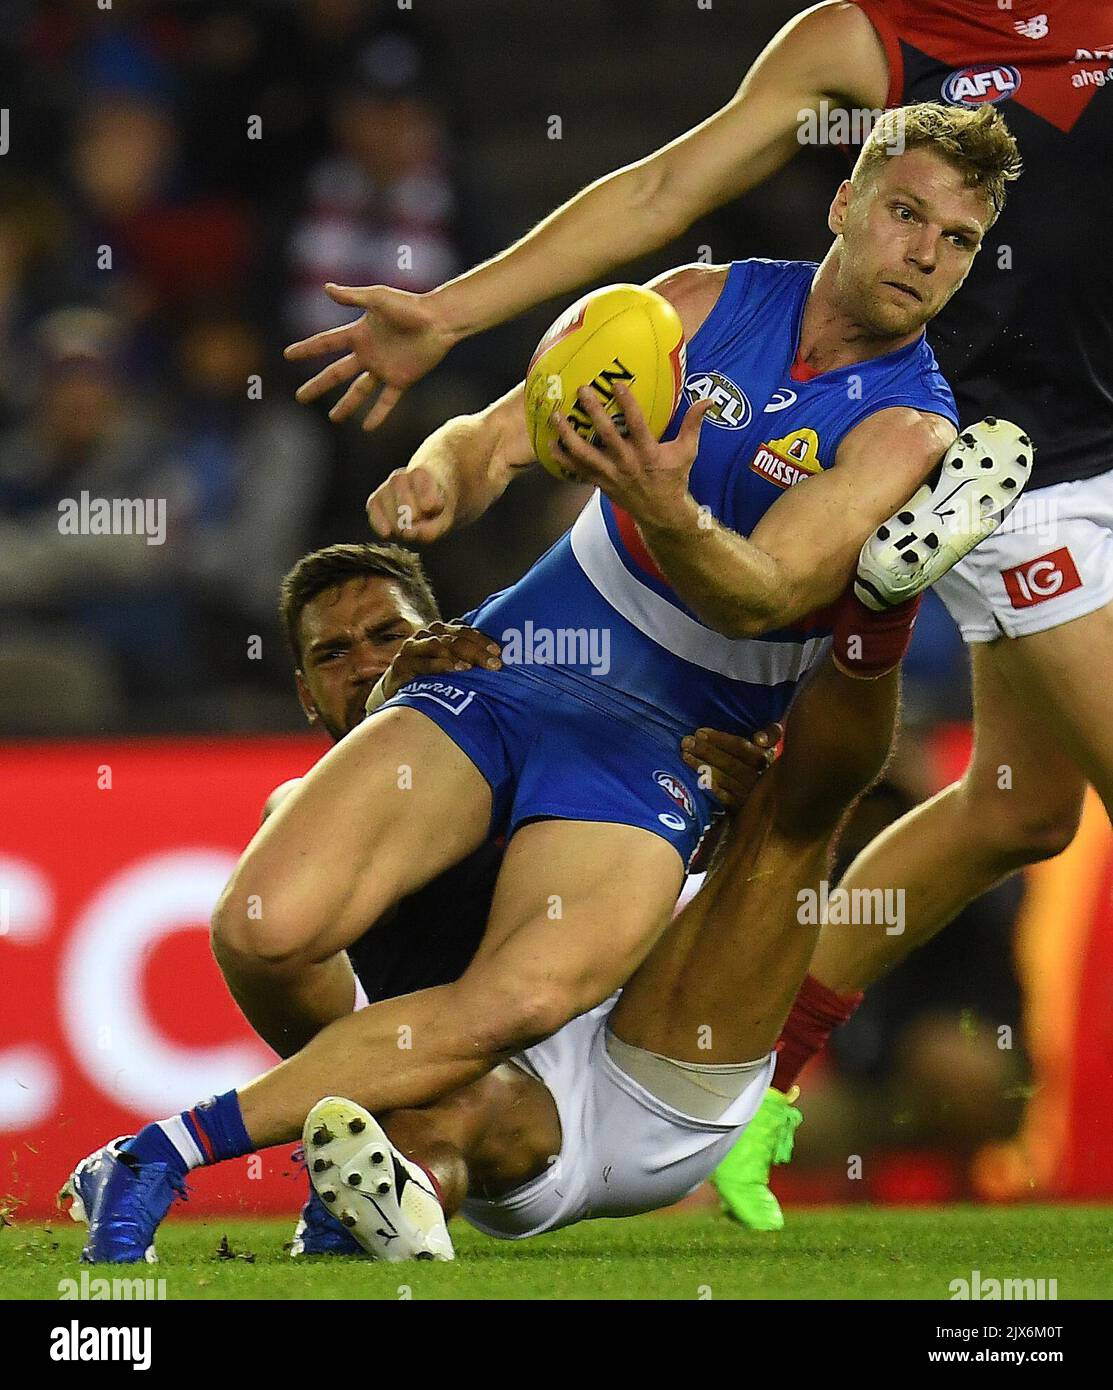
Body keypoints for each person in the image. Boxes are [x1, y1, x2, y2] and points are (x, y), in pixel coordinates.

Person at [65, 104, 1030, 1262]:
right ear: (846, 204)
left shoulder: (911, 430)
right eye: (906, 213)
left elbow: (767, 593)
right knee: (267, 927)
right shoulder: (701, 301)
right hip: (512, 662)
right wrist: (441, 477)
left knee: (516, 1002)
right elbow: (493, 436)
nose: (925, 252)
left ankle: (155, 1155)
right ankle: (379, 1141)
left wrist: (668, 508)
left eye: (960, 240)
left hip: (664, 745)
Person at [284, 0, 1112, 1228]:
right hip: (1004, 466)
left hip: (1101, 436)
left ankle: (755, 1084)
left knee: (1022, 807)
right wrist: (451, 315)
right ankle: (670, 1094)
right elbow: (665, 189)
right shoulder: (878, 37)